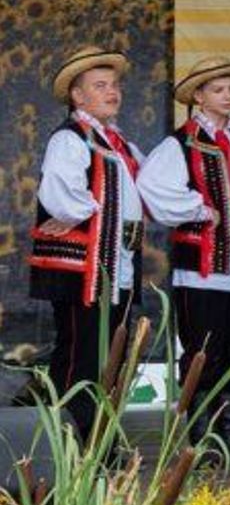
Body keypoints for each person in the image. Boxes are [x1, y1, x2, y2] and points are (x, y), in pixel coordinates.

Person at [139, 55, 230, 460]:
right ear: (198, 96)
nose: (228, 95)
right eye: (218, 89)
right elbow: (151, 187)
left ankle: (229, 437)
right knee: (203, 351)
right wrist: (199, 209)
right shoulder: (181, 143)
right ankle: (201, 442)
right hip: (202, 269)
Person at [29, 46, 146, 436]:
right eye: (100, 85)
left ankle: (99, 441)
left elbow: (145, 188)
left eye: (114, 85)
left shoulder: (117, 143)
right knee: (82, 356)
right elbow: (62, 192)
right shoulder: (71, 139)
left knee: (110, 355)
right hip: (86, 269)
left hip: (116, 263)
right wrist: (84, 212)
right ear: (77, 96)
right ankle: (73, 443)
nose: (112, 91)